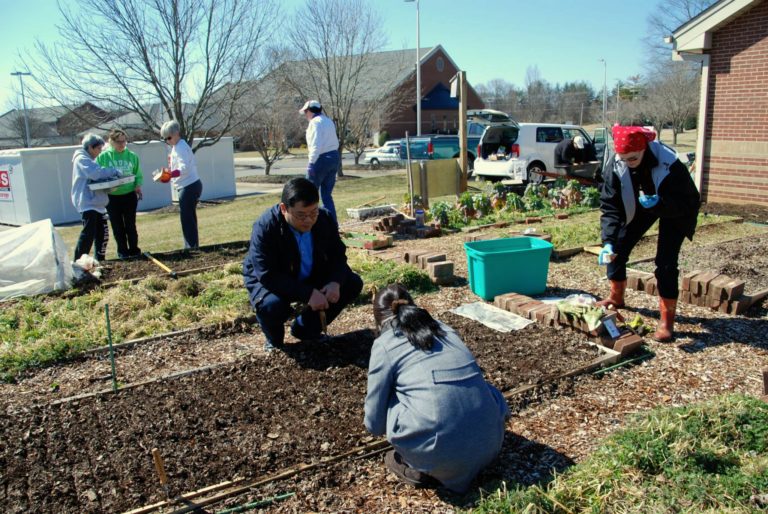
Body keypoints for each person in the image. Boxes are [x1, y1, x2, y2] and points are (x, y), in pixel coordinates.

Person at [364, 284, 510, 494]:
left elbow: (374, 424)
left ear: (379, 319)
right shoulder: (445, 329)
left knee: (391, 398)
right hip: (492, 444)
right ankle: (467, 447)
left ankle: (425, 468)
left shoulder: (385, 344)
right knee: (483, 388)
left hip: (440, 454)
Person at [597, 125, 700, 342]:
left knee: (665, 262)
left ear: (644, 148)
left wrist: (661, 204)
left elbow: (689, 202)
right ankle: (616, 298)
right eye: (623, 158)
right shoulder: (615, 165)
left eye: (632, 158)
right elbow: (610, 205)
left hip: (673, 209)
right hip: (638, 205)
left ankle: (666, 321)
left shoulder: (669, 164)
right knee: (616, 245)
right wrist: (607, 241)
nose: (627, 162)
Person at [242, 177, 363, 351]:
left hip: (311, 271)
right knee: (272, 305)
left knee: (351, 283)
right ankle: (274, 340)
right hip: (273, 278)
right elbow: (267, 274)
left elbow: (338, 256)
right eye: (301, 215)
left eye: (313, 212)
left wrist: (334, 282)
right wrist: (308, 294)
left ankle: (305, 329)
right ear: (284, 209)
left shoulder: (324, 219)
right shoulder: (266, 227)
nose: (309, 220)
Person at [71, 133, 123, 262]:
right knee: (88, 234)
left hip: (96, 203)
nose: (99, 152)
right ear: (90, 147)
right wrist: (114, 171)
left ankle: (100, 259)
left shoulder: (89, 159)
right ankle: (78, 262)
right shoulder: (82, 159)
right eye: (98, 149)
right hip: (88, 202)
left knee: (102, 234)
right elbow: (96, 173)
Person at [97, 129, 143, 259]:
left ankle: (134, 250)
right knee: (117, 226)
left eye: (124, 141)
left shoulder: (132, 156)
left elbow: (138, 174)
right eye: (119, 142)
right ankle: (122, 251)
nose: (122, 144)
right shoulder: (104, 157)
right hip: (112, 197)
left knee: (130, 224)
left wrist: (138, 186)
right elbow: (98, 175)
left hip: (129, 195)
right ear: (111, 142)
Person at [160, 120, 203, 249]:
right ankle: (191, 245)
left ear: (177, 134)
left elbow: (184, 168)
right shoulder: (176, 147)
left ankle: (191, 246)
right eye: (165, 139)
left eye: (169, 137)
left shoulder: (181, 147)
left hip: (189, 185)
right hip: (186, 185)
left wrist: (170, 174)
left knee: (187, 218)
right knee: (188, 217)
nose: (167, 140)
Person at [300, 100, 340, 224]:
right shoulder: (328, 121)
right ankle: (332, 225)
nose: (305, 115)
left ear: (310, 111)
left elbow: (315, 145)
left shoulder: (314, 123)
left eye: (306, 112)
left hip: (321, 159)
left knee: (309, 194)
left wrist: (311, 163)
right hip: (334, 157)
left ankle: (309, 224)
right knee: (326, 195)